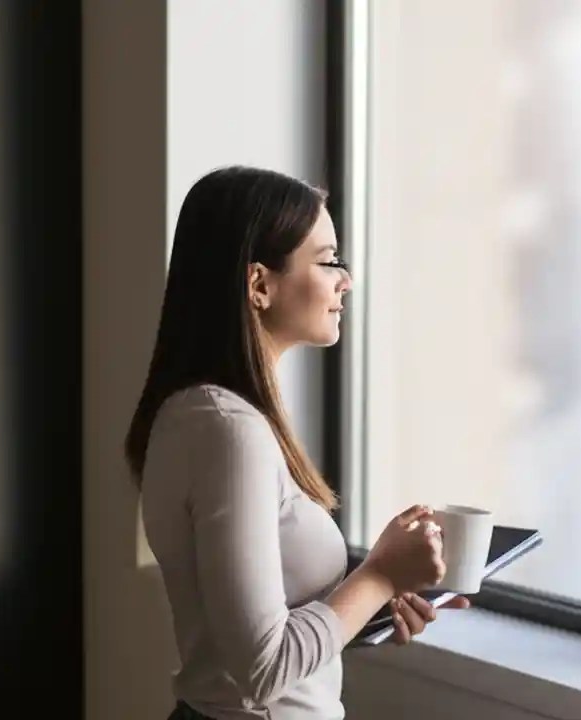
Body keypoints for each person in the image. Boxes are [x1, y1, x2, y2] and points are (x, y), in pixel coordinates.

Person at [124, 166, 470, 719]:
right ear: (259, 284)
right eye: (328, 260)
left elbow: (245, 638)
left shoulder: (198, 413)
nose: (346, 280)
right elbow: (261, 671)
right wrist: (379, 573)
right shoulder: (228, 429)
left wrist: (377, 598)